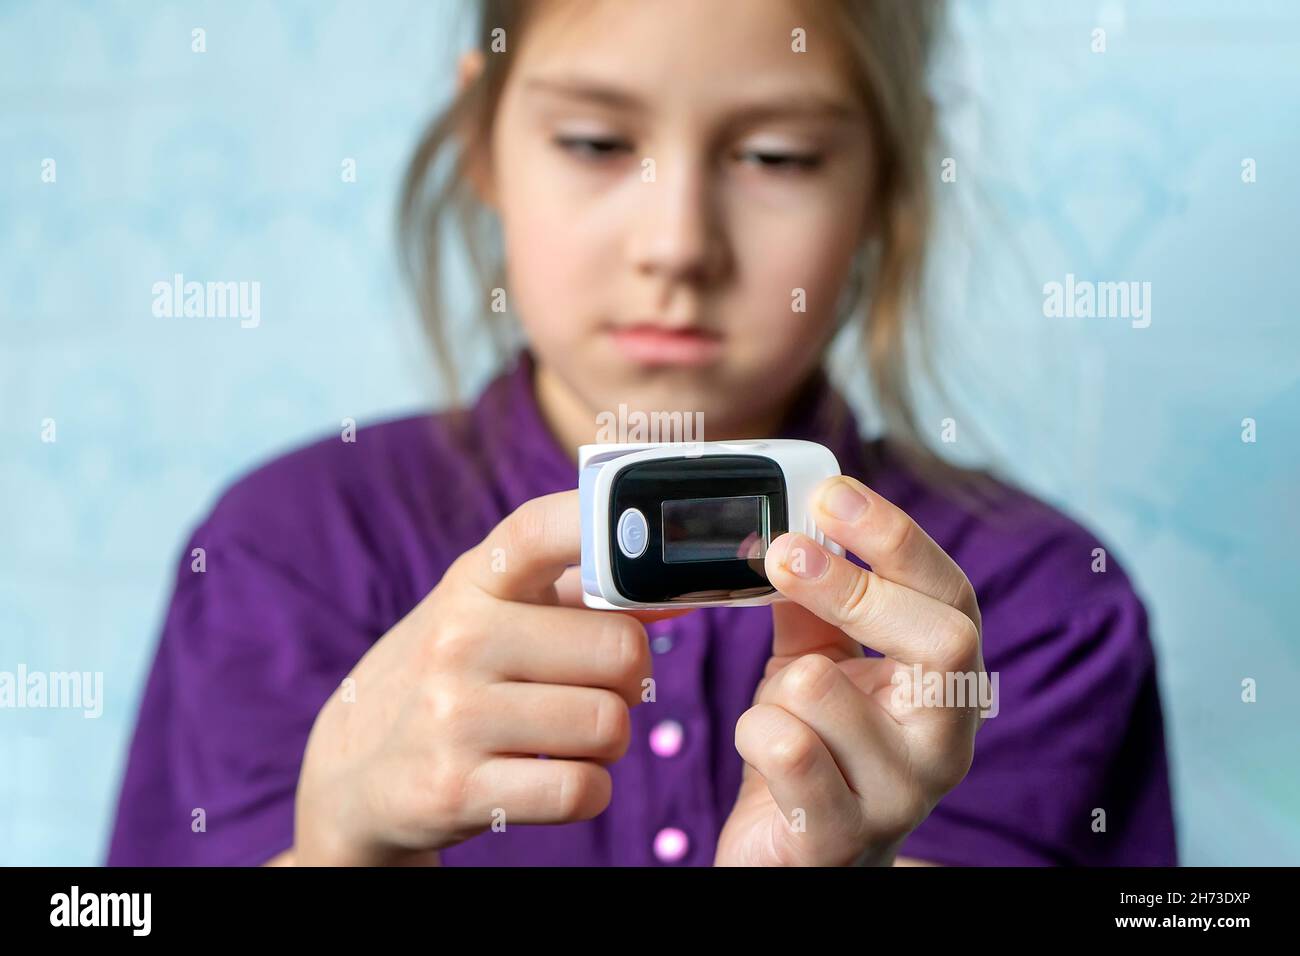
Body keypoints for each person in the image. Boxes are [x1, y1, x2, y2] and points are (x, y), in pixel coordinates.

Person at [106, 0, 1177, 866]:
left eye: (777, 155)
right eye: (595, 141)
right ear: (484, 139)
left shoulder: (1039, 608)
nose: (677, 244)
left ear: (889, 175)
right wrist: (342, 847)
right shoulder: (282, 552)